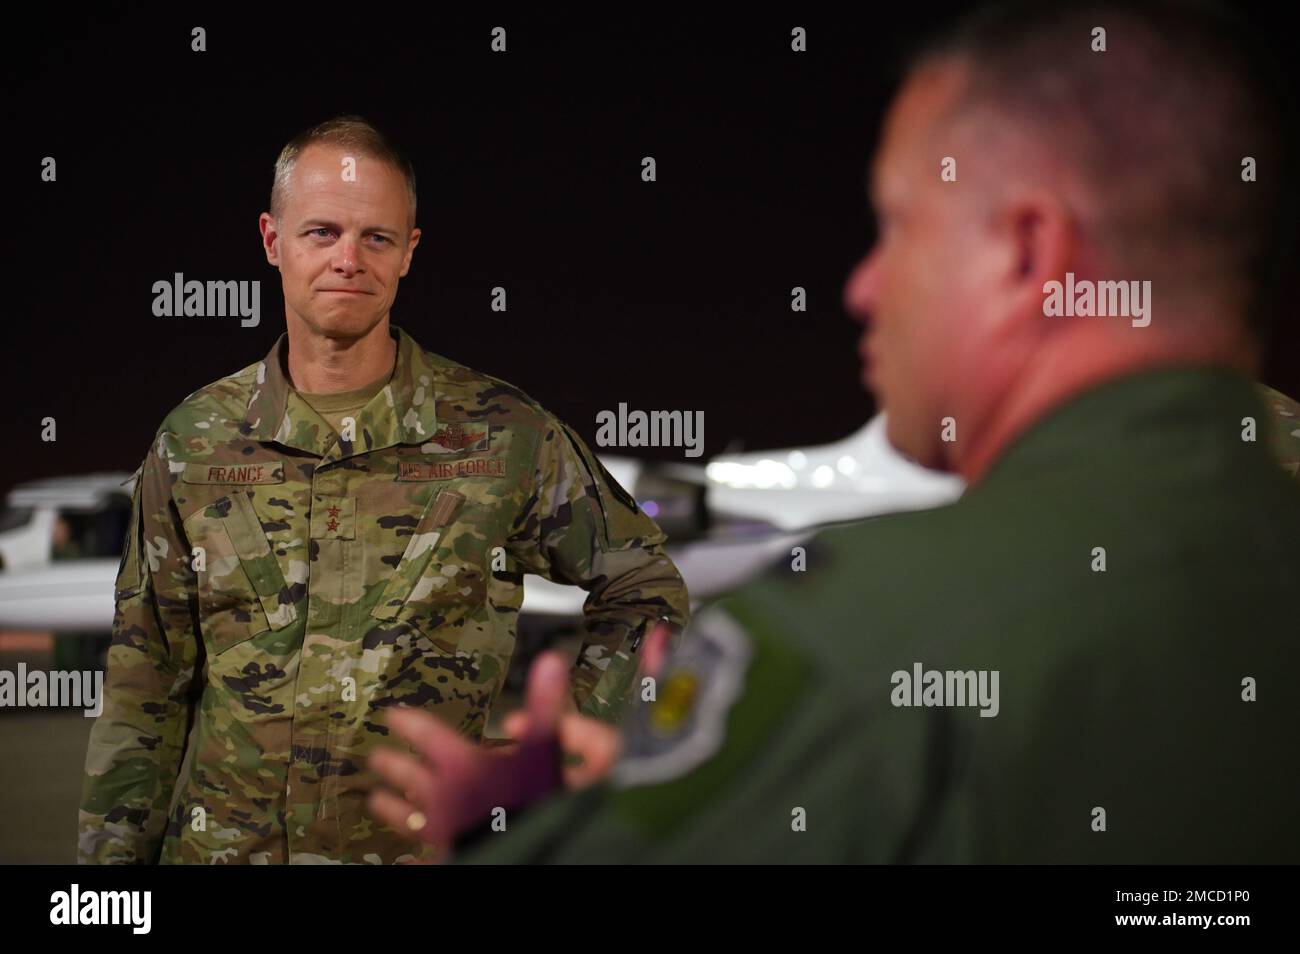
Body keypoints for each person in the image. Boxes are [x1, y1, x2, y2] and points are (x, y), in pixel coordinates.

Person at [369, 0, 1300, 863]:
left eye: (900, 227)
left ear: (1028, 253)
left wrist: (510, 826)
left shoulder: (865, 646)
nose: (862, 287)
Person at [78, 116, 689, 865]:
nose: (348, 260)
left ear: (409, 252)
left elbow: (645, 588)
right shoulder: (194, 442)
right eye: (322, 232)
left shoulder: (503, 437)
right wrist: (106, 888)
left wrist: (559, 753)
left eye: (376, 237)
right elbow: (146, 680)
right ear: (272, 241)